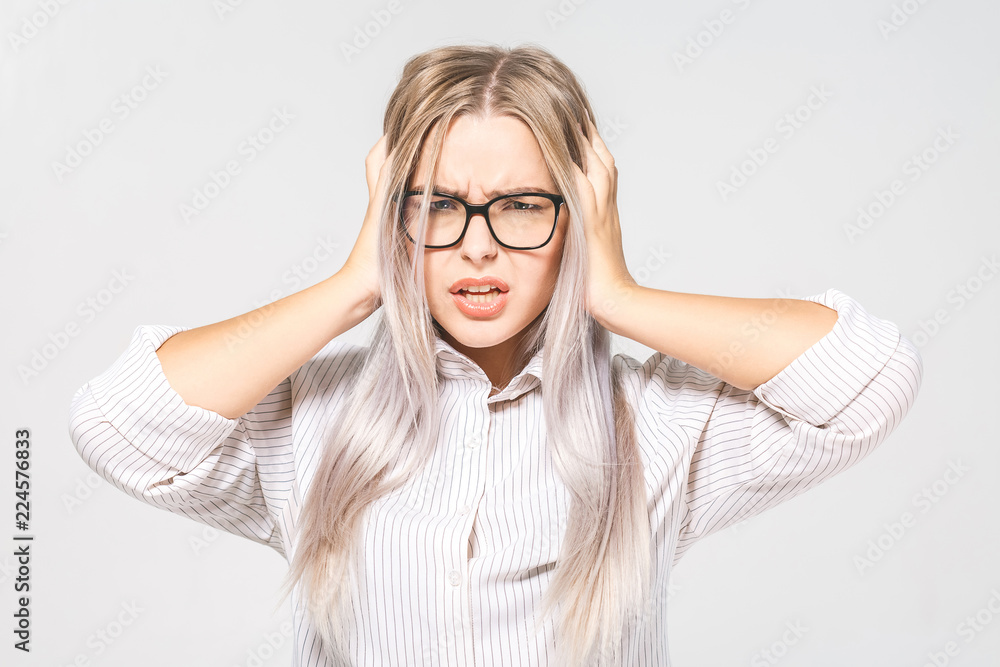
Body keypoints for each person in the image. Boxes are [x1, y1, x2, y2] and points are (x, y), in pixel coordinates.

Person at [68, 43, 924, 667]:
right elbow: (116, 425)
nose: (477, 247)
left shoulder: (659, 423)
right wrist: (355, 285)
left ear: (577, 215)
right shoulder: (311, 419)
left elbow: (866, 377)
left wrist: (617, 294)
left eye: (519, 205)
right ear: (392, 215)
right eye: (439, 204)